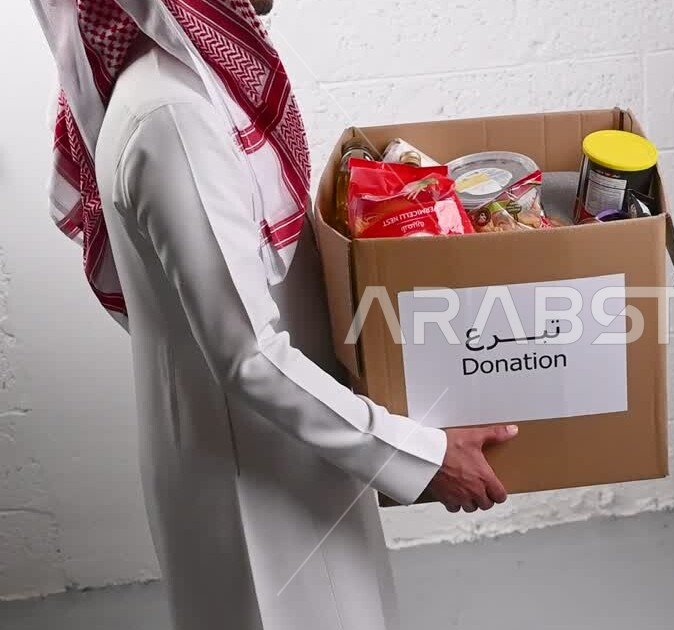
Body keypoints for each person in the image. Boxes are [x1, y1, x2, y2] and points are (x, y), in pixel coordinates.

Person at [30, 1, 516, 629]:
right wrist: (422, 457)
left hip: (289, 442)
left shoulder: (197, 83)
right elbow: (247, 355)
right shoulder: (174, 117)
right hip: (252, 477)